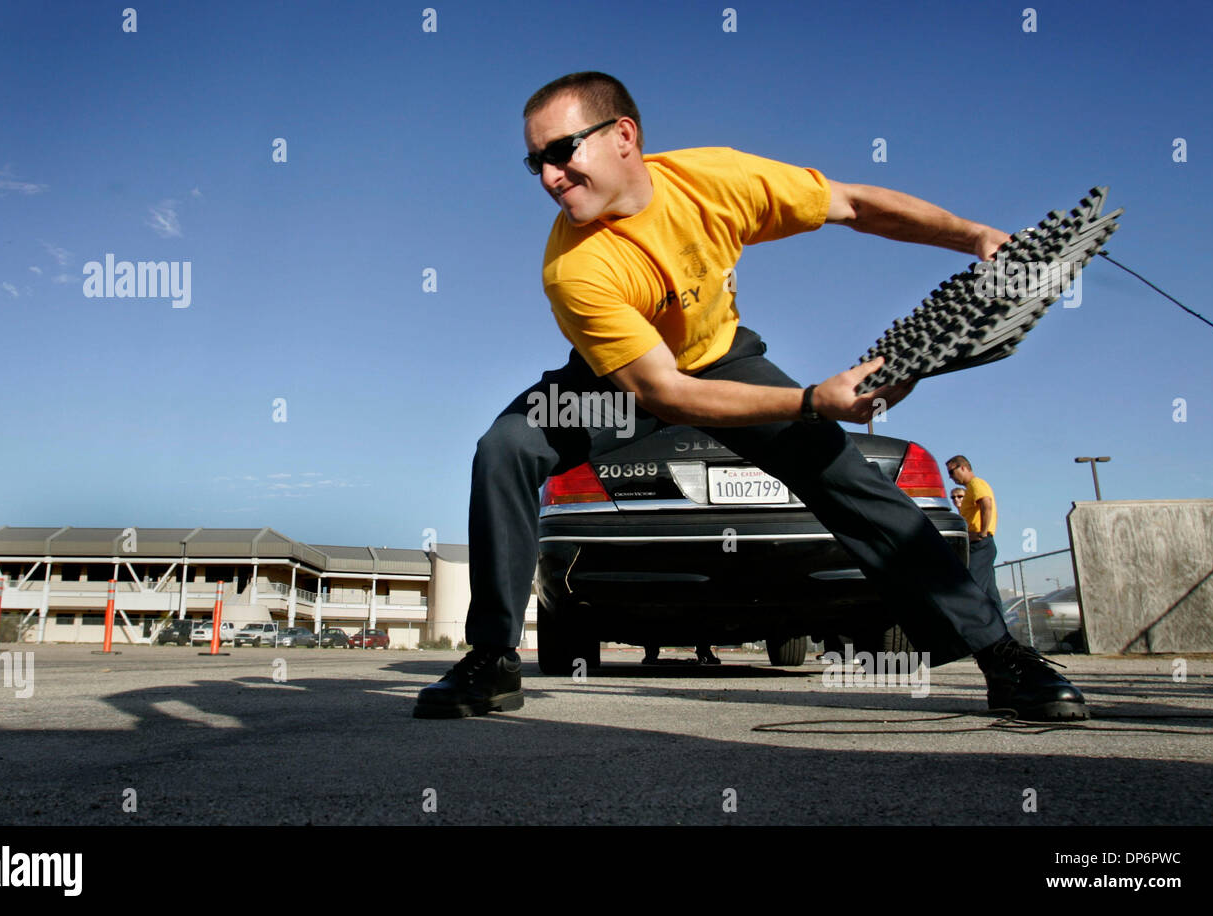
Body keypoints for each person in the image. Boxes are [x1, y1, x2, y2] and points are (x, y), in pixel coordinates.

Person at [413, 71, 1087, 722]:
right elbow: (664, 394)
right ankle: (493, 658)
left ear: (624, 135)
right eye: (537, 164)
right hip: (618, 385)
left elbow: (852, 204)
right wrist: (810, 403)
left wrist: (973, 237)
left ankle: (1003, 658)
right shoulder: (576, 267)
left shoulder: (714, 180)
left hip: (723, 360)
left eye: (562, 152)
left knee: (850, 481)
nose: (551, 178)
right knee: (505, 449)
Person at [946, 456, 1003, 611]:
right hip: (977, 544)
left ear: (963, 467)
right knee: (990, 593)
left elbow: (986, 504)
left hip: (980, 545)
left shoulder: (976, 484)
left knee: (971, 588)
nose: (950, 477)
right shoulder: (970, 489)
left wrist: (982, 532)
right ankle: (1000, 630)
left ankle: (975, 631)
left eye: (952, 472)